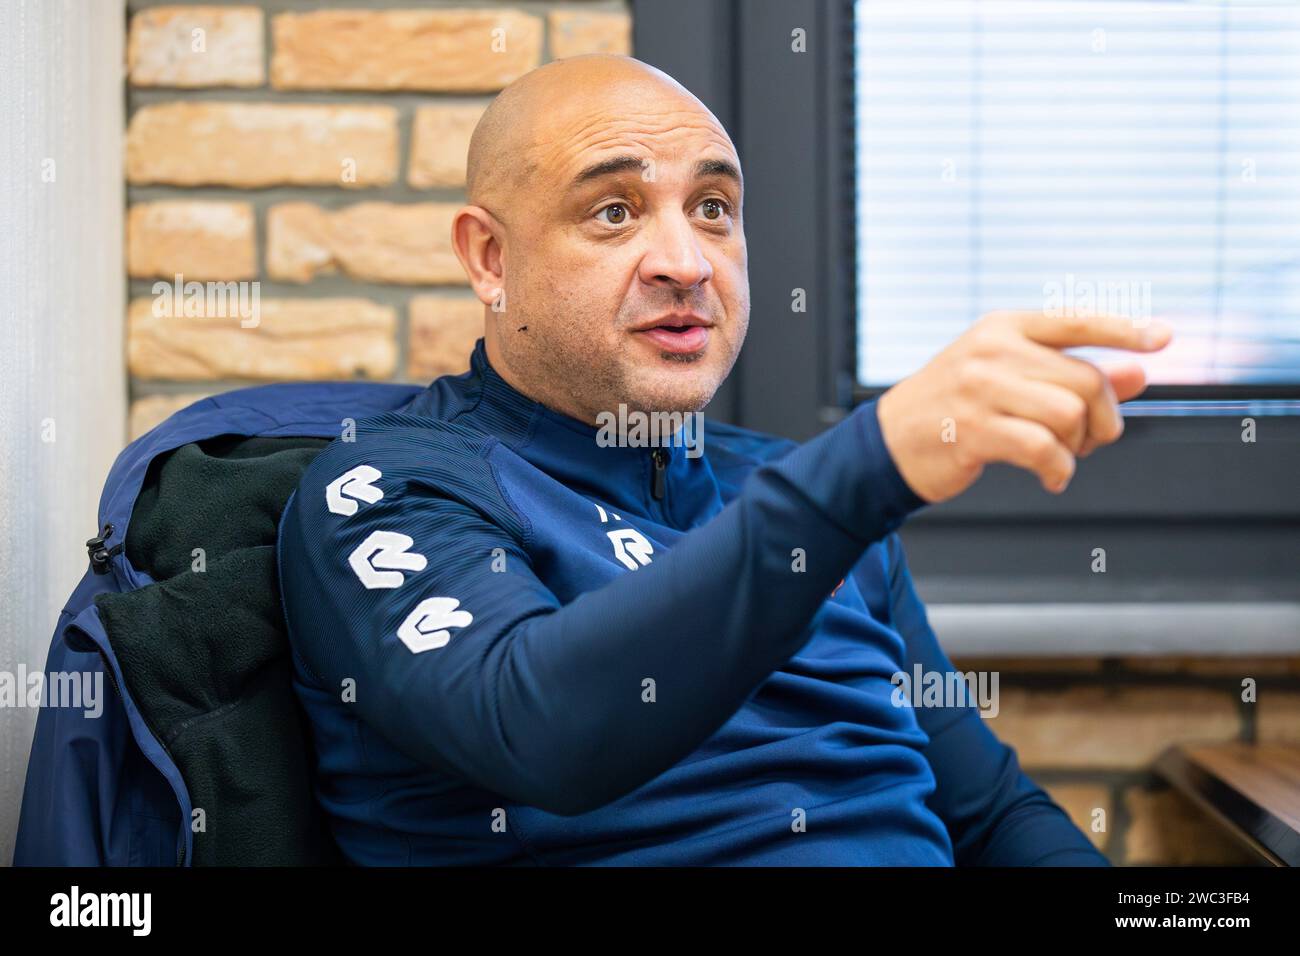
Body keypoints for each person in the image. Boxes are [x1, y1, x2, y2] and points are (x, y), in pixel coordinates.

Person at [276, 54, 1171, 865]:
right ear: (490, 258)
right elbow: (536, 732)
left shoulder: (801, 493)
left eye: (712, 209)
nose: (686, 263)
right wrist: (866, 468)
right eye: (614, 211)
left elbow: (990, 815)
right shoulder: (392, 486)